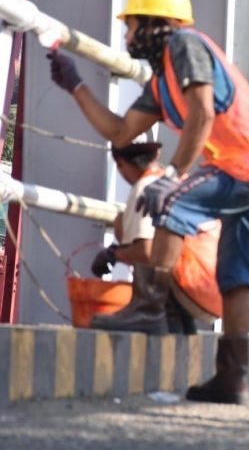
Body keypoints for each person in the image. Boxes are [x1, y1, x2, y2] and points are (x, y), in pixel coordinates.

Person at [48, 0, 249, 404]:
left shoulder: (184, 45)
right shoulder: (161, 82)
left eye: (130, 25)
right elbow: (121, 131)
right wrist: (75, 86)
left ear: (154, 23)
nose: (126, 36)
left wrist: (175, 175)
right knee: (235, 277)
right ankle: (232, 379)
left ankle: (149, 309)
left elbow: (201, 111)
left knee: (170, 200)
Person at [90, 141, 222, 335]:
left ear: (119, 163)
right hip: (213, 288)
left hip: (186, 281)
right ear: (156, 156)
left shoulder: (147, 187)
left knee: (167, 318)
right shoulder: (178, 182)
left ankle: (149, 313)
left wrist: (113, 255)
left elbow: (147, 251)